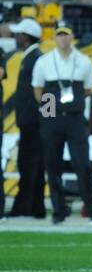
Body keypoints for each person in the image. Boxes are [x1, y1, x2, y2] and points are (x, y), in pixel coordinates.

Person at [30, 25, 92, 223]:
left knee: (83, 165)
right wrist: (49, 113)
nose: (62, 39)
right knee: (53, 165)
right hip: (52, 115)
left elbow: (87, 89)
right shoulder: (44, 61)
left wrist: (72, 104)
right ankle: (59, 212)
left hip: (75, 117)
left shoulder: (84, 61)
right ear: (54, 38)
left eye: (66, 35)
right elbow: (38, 90)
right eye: (59, 35)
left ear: (72, 37)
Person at [7, 18, 46, 219]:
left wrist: (48, 119)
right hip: (32, 123)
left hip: (34, 124)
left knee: (28, 165)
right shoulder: (31, 58)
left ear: (26, 37)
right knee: (34, 167)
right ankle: (36, 207)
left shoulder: (36, 59)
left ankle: (24, 207)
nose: (15, 37)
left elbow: (47, 91)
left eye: (18, 33)